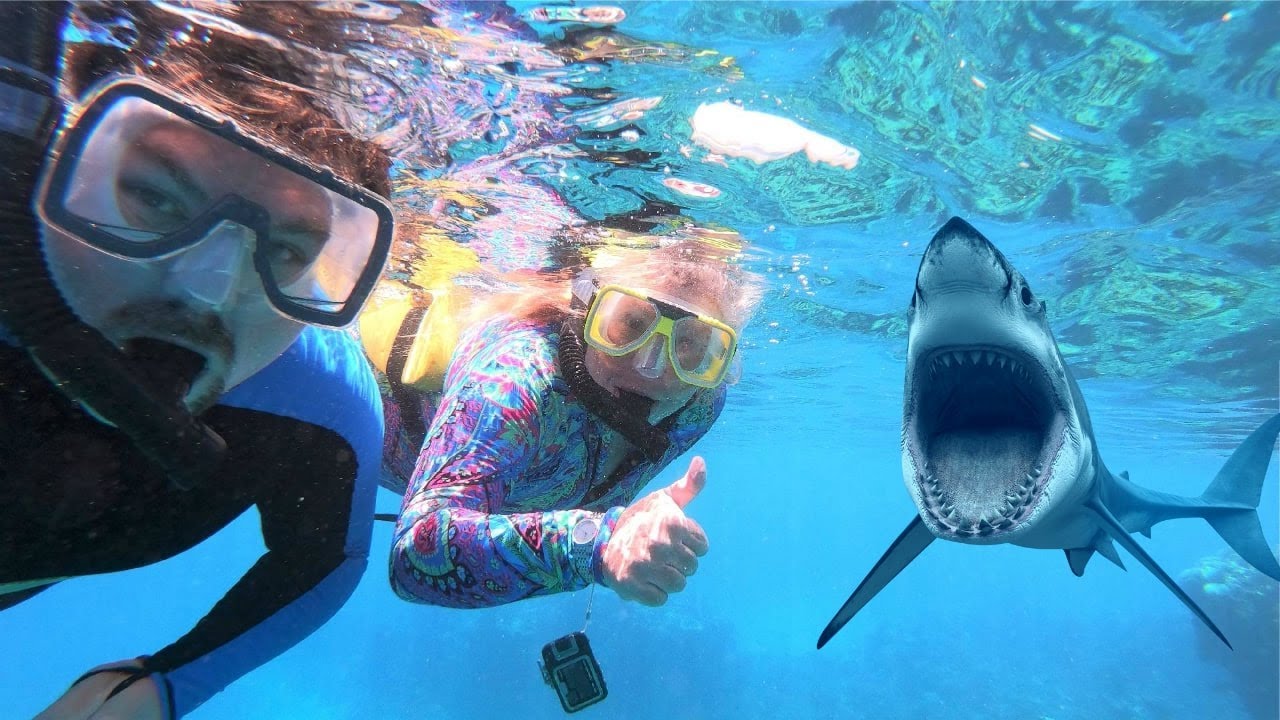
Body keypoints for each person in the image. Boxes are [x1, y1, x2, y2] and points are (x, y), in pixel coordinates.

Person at [0, 4, 395, 718]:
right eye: (153, 196)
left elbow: (323, 561)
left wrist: (165, 683)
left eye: (284, 252)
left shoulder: (318, 409)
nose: (207, 288)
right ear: (50, 159)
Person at [373, 236, 763, 609]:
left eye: (691, 344)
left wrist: (627, 533)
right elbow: (413, 556)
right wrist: (597, 544)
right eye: (630, 324)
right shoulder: (514, 379)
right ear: (587, 311)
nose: (651, 367)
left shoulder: (700, 404)